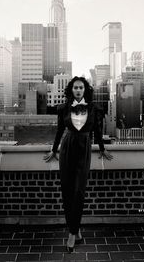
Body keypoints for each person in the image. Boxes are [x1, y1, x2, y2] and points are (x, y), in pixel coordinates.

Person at [43, 76, 113, 252]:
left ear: (85, 90)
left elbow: (97, 131)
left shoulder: (94, 109)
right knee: (67, 190)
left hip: (84, 149)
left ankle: (72, 233)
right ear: (71, 90)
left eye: (81, 87)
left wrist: (103, 148)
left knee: (79, 191)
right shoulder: (63, 108)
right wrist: (54, 150)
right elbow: (60, 130)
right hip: (67, 147)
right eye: (75, 88)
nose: (78, 90)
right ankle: (75, 231)